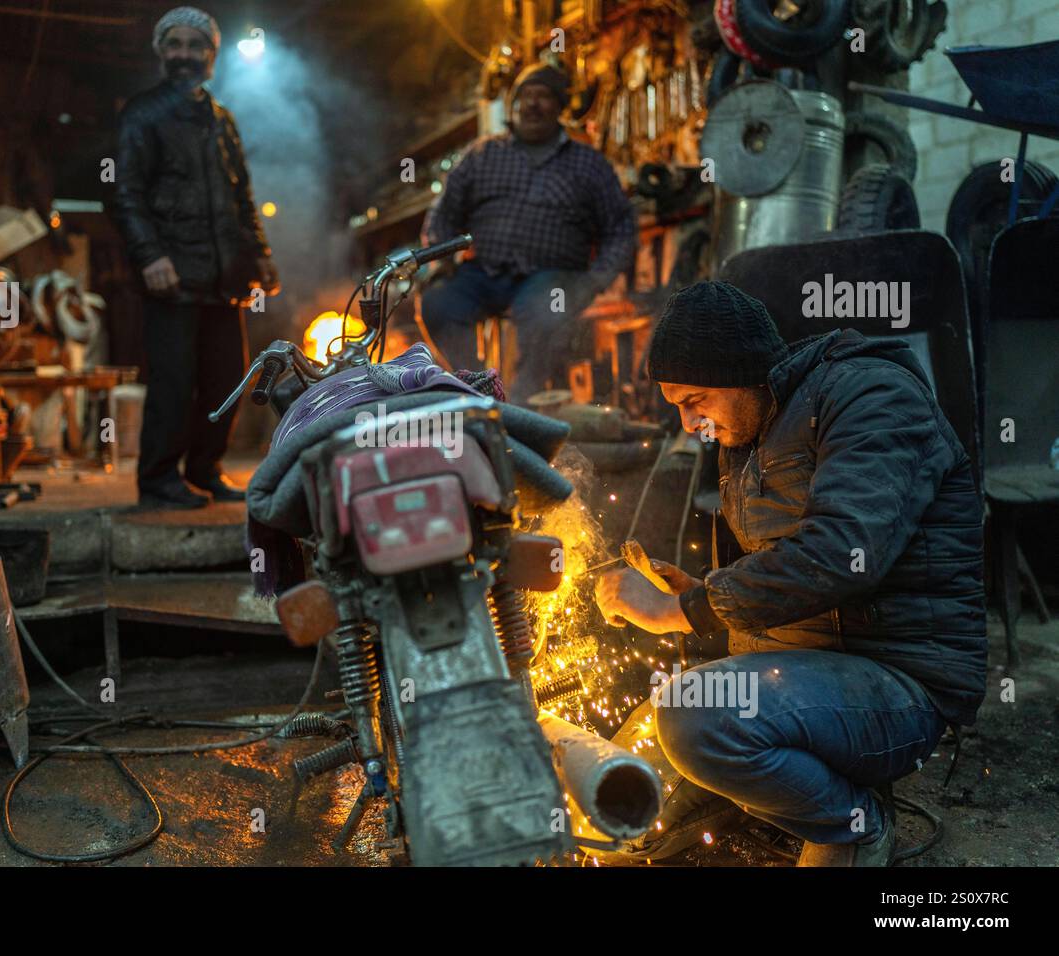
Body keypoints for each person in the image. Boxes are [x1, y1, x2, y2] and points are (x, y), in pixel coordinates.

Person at [595, 280, 987, 866]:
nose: (688, 424)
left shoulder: (872, 397)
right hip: (819, 666)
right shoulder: (754, 427)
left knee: (696, 716)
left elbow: (842, 551)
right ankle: (783, 788)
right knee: (630, 797)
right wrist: (698, 592)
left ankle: (853, 823)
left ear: (743, 372)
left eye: (695, 399)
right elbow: (788, 562)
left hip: (901, 680)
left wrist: (687, 610)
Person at [110, 6, 279, 508]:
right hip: (171, 275)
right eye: (175, 44)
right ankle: (158, 480)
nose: (185, 54)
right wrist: (150, 255)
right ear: (161, 52)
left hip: (224, 276)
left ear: (211, 54)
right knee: (174, 380)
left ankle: (204, 470)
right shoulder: (142, 114)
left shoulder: (222, 120)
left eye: (195, 45)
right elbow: (122, 191)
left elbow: (242, 196)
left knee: (228, 379)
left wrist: (262, 254)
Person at [420, 62, 636, 404]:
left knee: (546, 310)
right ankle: (479, 391)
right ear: (513, 104)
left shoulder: (588, 164)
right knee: (438, 302)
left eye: (544, 96)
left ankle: (519, 407)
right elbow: (443, 213)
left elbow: (621, 228)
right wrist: (441, 260)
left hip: (550, 277)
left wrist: (595, 280)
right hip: (486, 272)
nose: (533, 104)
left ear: (560, 107)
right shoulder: (483, 153)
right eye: (526, 96)